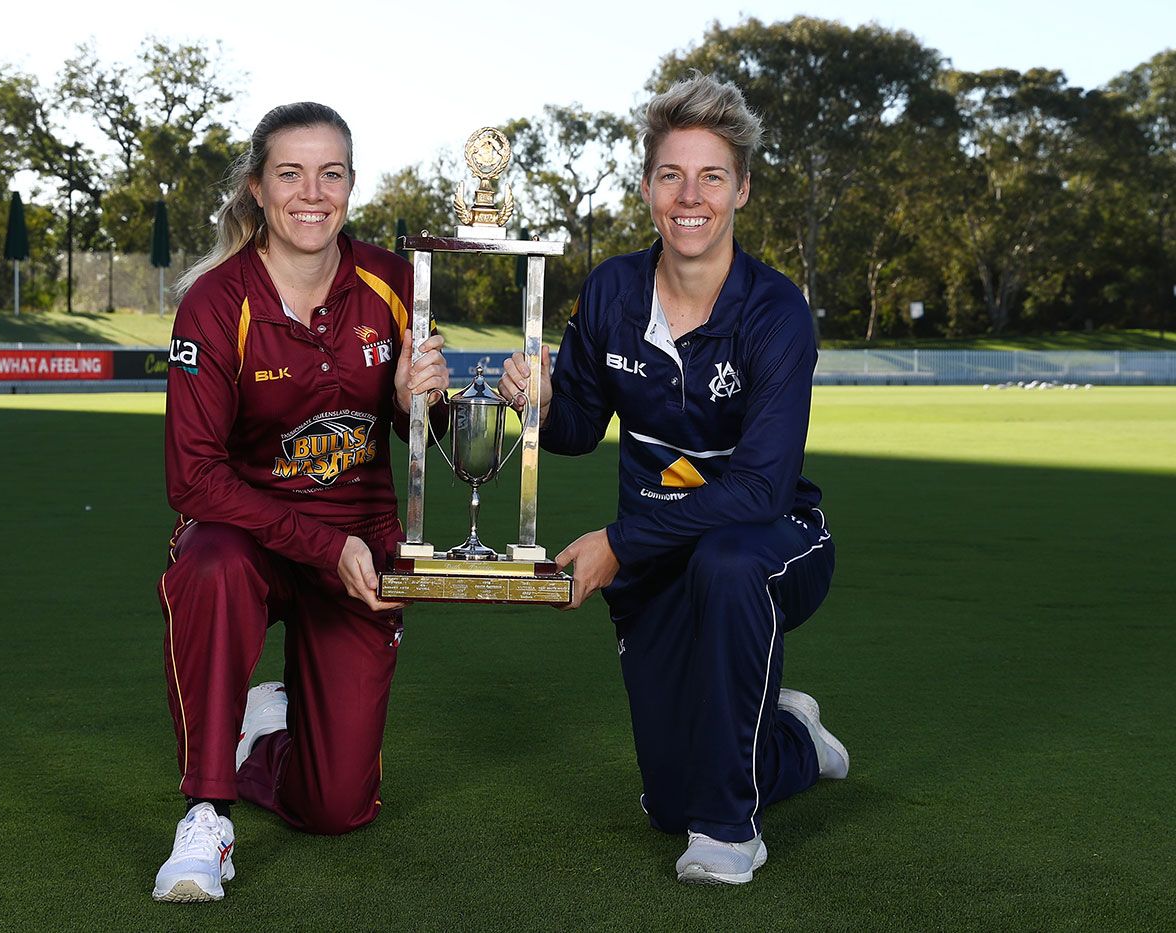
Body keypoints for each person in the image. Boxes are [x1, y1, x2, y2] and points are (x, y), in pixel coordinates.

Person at [499, 75, 846, 885]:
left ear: (743, 189)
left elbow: (760, 491)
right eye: (671, 176)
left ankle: (731, 832)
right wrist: (543, 401)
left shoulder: (776, 312)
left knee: (728, 564)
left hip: (774, 544)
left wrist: (619, 541)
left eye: (712, 176)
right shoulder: (615, 290)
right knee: (666, 804)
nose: (690, 197)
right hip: (658, 556)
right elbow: (581, 427)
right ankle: (788, 737)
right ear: (649, 187)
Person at [151, 101, 449, 903]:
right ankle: (207, 813)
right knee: (209, 560)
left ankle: (266, 737)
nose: (311, 192)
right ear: (257, 188)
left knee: (336, 809)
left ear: (352, 184)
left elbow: (431, 433)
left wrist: (429, 400)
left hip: (360, 551)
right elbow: (192, 478)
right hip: (249, 542)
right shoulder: (215, 301)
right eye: (290, 173)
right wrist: (320, 544)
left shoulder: (394, 281)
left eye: (331, 173)